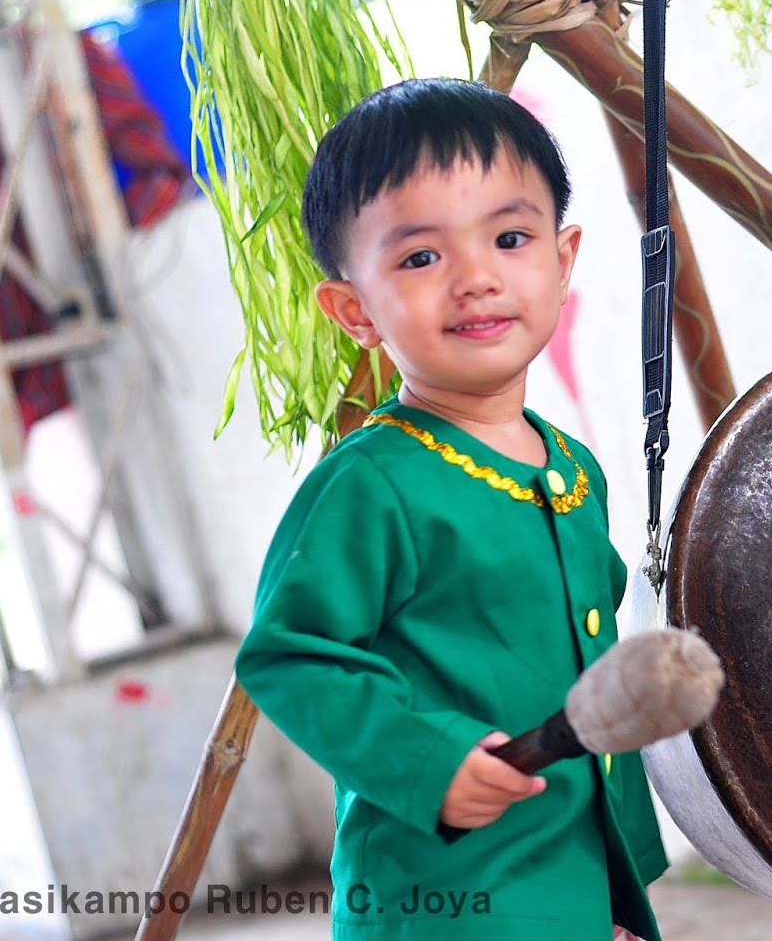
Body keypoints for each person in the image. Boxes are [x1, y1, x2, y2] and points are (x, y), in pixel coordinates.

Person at [235, 78, 668, 940]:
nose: (476, 278)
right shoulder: (370, 484)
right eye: (420, 258)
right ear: (354, 311)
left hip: (573, 877)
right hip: (446, 900)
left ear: (563, 259)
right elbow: (291, 657)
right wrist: (427, 761)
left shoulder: (571, 467)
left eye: (510, 238)